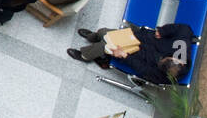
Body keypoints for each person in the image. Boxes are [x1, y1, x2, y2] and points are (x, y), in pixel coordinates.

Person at [67, 23, 195, 84]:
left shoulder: (164, 76)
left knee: (105, 45)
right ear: (176, 59)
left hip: (135, 53)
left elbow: (142, 68)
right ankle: (94, 36)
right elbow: (185, 29)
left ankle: (85, 55)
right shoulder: (181, 50)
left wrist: (125, 56)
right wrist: (163, 31)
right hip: (141, 38)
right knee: (104, 32)